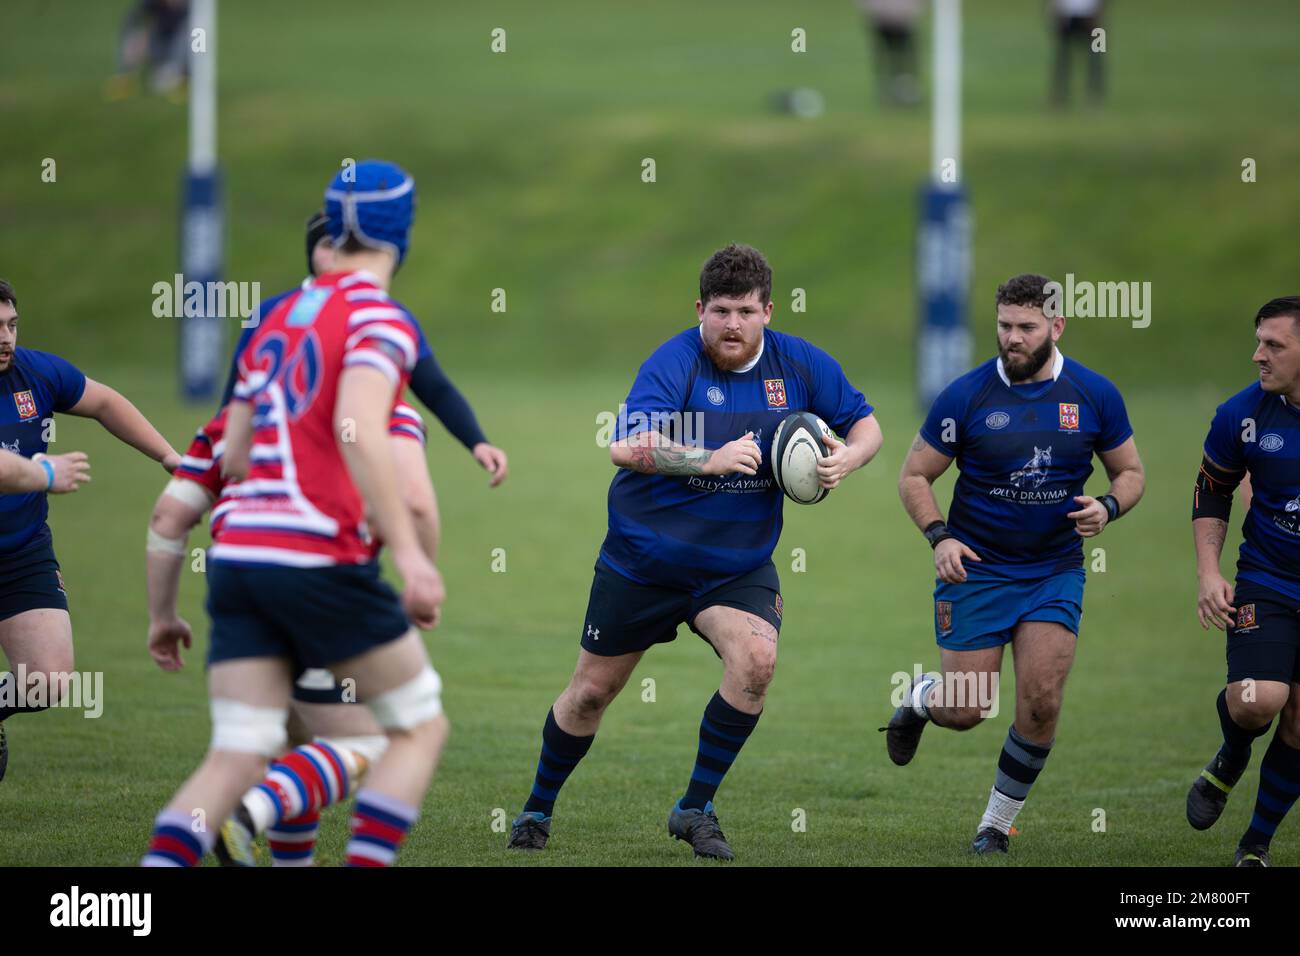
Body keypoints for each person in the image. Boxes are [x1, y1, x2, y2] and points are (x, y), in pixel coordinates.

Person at [507, 243, 882, 860]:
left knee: (757, 664)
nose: (732, 324)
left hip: (734, 567)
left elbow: (867, 424)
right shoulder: (675, 362)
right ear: (700, 309)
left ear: (768, 312)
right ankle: (536, 809)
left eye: (746, 311)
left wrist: (849, 457)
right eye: (720, 311)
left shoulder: (800, 367)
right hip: (644, 560)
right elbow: (625, 447)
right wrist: (707, 458)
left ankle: (694, 807)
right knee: (591, 694)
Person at [142, 160, 447, 867]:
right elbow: (363, 428)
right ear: (401, 234)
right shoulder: (380, 316)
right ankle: (278, 821)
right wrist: (411, 558)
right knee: (411, 731)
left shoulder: (275, 315)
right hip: (314, 558)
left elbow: (237, 445)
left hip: (237, 557)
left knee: (235, 755)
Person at [887, 272, 1144, 855]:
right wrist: (939, 538)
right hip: (976, 569)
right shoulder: (966, 396)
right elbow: (914, 476)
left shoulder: (1094, 395)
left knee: (1041, 699)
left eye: (1026, 328)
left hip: (1054, 570)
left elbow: (1131, 473)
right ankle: (920, 699)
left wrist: (1108, 506)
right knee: (966, 709)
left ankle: (995, 827)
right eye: (1004, 326)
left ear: (1056, 326)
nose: (1012, 338)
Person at [146, 400, 439, 865]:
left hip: (235, 576)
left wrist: (162, 616)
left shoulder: (237, 412)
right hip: (321, 577)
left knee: (261, 751)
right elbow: (415, 502)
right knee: (379, 738)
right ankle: (247, 811)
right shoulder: (380, 408)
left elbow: (168, 517)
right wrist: (421, 571)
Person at [0, 277, 179, 783]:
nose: (5, 338)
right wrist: (45, 473)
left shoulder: (34, 373)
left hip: (21, 552)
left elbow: (103, 402)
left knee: (49, 681)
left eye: (11, 324)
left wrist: (167, 455)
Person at [220, 210, 508, 488]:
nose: (337, 255)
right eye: (327, 244)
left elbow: (435, 388)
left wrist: (476, 441)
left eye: (345, 246)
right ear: (310, 252)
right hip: (280, 461)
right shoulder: (272, 312)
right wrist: (212, 457)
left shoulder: (384, 316)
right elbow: (237, 394)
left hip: (353, 463)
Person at [1185, 296, 1300, 867]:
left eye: (1274, 345)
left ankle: (1254, 845)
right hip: (1270, 577)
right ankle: (1232, 756)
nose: (1259, 355)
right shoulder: (1242, 415)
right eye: (1259, 341)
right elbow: (1212, 490)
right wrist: (1209, 572)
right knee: (1258, 701)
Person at [1048, 0, 1105, 108]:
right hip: (1067, 15)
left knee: (1097, 55)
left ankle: (1094, 95)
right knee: (1063, 58)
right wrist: (1055, 10)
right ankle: (1059, 95)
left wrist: (1101, 12)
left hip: (1092, 15)